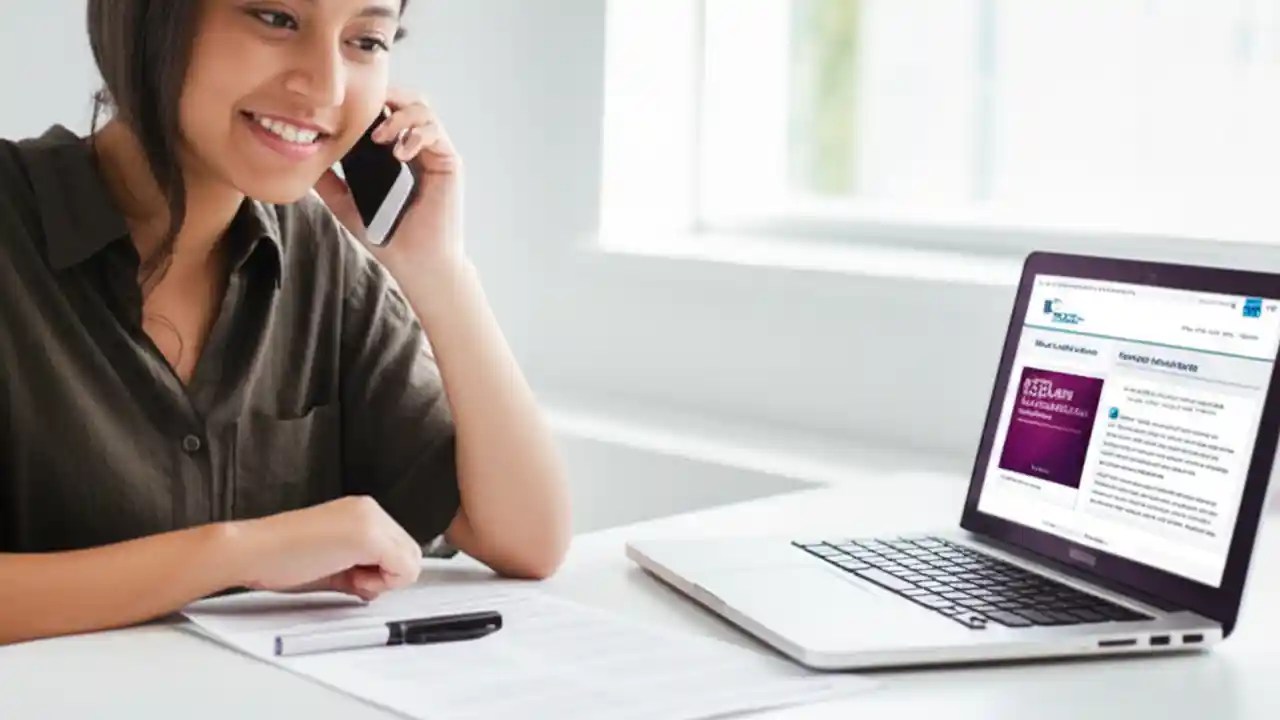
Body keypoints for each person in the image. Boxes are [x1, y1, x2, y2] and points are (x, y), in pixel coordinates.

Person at [0, 0, 571, 646]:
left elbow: (530, 539)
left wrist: (439, 272)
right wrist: (236, 554)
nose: (324, 87)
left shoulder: (323, 261)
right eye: (276, 19)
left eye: (367, 41)